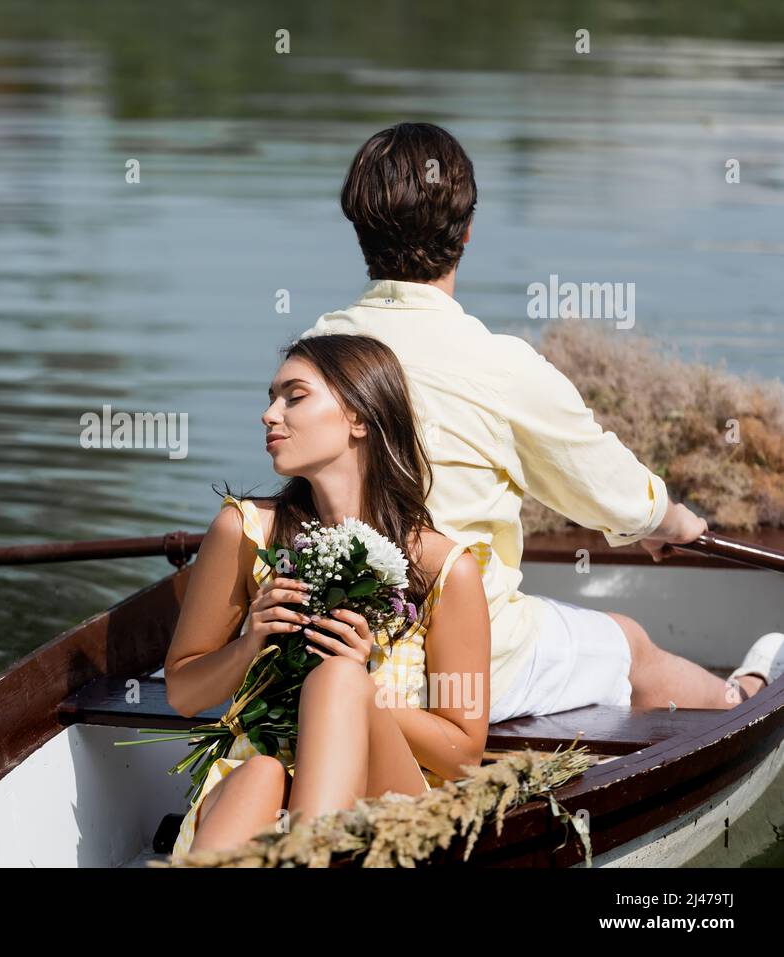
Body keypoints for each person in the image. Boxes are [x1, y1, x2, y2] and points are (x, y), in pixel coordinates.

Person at [298, 121, 784, 724]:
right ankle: (740, 706)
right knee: (631, 645)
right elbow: (609, 490)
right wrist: (670, 519)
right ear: (468, 231)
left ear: (359, 228)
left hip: (333, 651)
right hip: (471, 670)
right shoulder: (501, 366)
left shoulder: (314, 351)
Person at [163, 333, 492, 860]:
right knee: (262, 773)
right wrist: (250, 642)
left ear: (359, 417)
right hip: (263, 781)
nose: (270, 415)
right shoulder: (245, 533)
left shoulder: (443, 568)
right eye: (271, 398)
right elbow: (183, 693)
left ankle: (305, 852)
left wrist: (366, 686)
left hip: (386, 805)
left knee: (339, 677)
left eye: (294, 397)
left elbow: (465, 756)